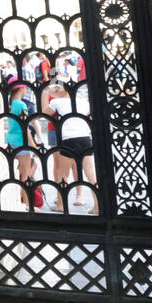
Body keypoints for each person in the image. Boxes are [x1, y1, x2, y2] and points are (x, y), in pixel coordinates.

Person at [45, 82, 98, 213]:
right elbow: (87, 113)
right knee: (91, 175)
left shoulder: (57, 102)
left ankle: (61, 205)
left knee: (63, 174)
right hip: (85, 138)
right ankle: (97, 206)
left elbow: (45, 114)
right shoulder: (84, 102)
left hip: (69, 139)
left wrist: (45, 95)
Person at [5, 81, 35, 210]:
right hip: (21, 141)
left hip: (12, 140)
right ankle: (27, 204)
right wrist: (32, 143)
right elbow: (25, 125)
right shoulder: (21, 104)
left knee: (21, 172)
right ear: (21, 88)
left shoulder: (11, 104)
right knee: (26, 173)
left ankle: (23, 200)